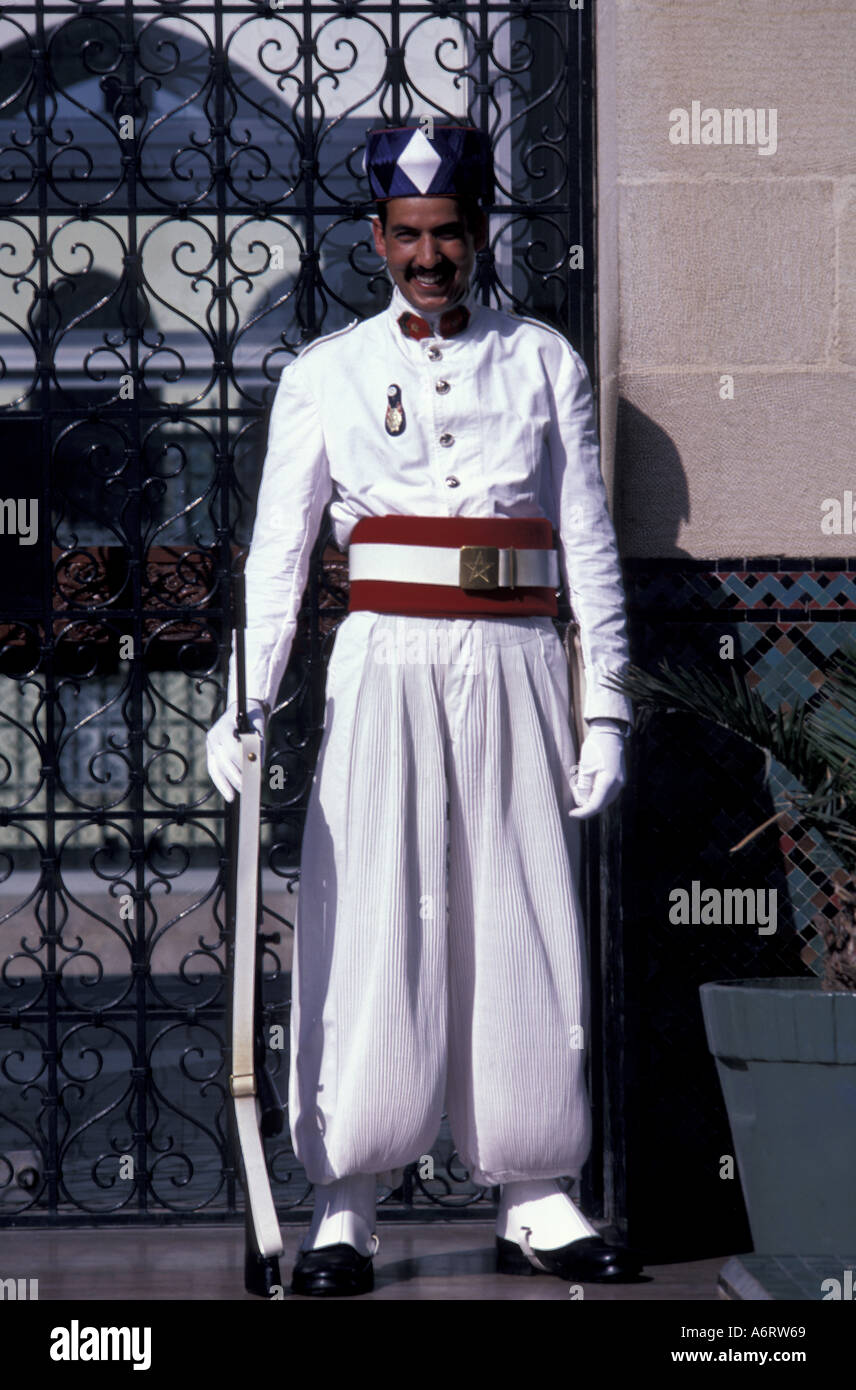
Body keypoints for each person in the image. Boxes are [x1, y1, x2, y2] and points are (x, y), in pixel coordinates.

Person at [207, 123, 642, 1297]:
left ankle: (538, 1193)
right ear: (375, 239)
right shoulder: (324, 373)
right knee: (370, 916)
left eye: (448, 233)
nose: (429, 256)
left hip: (511, 655)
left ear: (478, 230)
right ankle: (346, 1203)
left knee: (522, 906)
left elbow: (588, 546)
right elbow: (278, 561)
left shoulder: (541, 360)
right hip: (384, 660)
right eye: (408, 236)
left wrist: (603, 708)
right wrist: (245, 704)